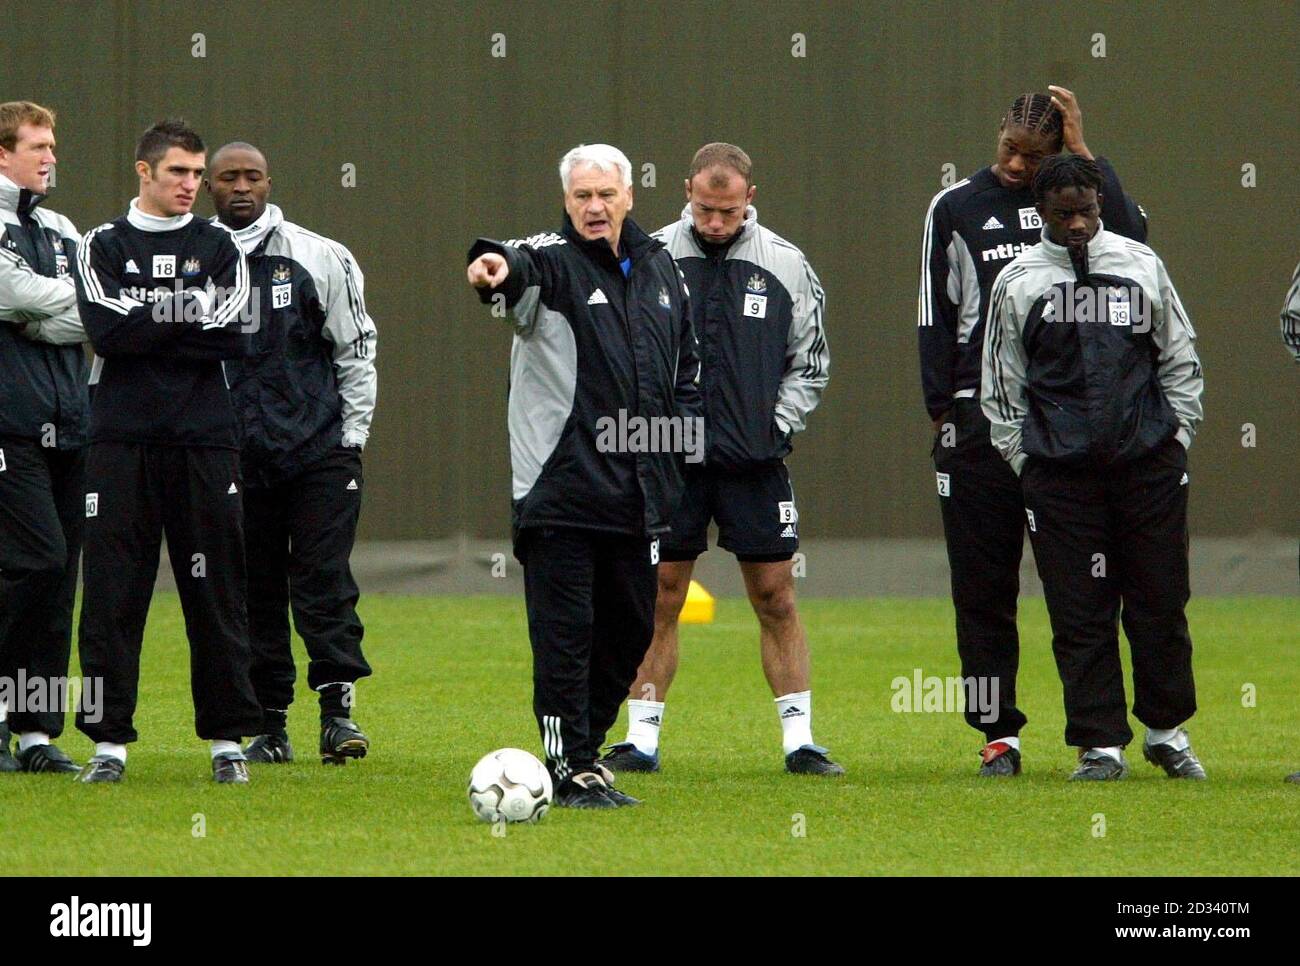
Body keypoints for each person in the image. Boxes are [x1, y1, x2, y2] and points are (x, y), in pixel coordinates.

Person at [917, 88, 1148, 776]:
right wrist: (946, 409)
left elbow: (1136, 245)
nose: (1017, 165)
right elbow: (934, 311)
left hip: (1065, 422)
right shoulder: (954, 207)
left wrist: (1083, 152)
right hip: (978, 418)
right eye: (1008, 149)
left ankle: (1096, 740)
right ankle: (998, 736)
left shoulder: (1078, 201)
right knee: (982, 587)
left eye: (1033, 154)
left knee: (1081, 586)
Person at [465, 143, 701, 808]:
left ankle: (587, 751)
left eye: (605, 195)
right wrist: (491, 270)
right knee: (566, 637)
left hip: (640, 493)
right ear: (566, 202)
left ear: (628, 195)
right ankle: (568, 765)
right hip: (560, 490)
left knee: (630, 632)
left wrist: (674, 458)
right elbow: (509, 268)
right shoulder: (552, 265)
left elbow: (686, 371)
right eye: (581, 198)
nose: (594, 208)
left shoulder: (662, 269)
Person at [599, 143, 838, 777]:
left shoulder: (786, 265)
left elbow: (809, 362)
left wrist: (778, 426)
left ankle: (800, 742)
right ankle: (640, 740)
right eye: (704, 209)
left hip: (753, 464)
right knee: (660, 595)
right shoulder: (647, 259)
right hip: (668, 461)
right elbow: (621, 352)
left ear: (749, 199)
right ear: (686, 192)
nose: (713, 223)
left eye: (726, 212)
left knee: (775, 596)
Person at [982, 153, 1205, 781]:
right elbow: (1002, 386)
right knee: (1079, 611)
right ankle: (1100, 744)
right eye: (1063, 214)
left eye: (1086, 211)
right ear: (1041, 213)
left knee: (1160, 601)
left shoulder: (1141, 265)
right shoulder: (1019, 282)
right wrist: (1026, 460)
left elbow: (1179, 356)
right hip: (1060, 477)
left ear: (1101, 205)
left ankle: (1167, 731)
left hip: (1148, 470)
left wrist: (1175, 437)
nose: (1077, 224)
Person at [72, 119, 261, 784]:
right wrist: (183, 315)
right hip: (121, 442)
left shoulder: (220, 246)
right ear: (144, 172)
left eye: (196, 172)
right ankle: (108, 747)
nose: (193, 185)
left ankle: (227, 743)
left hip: (204, 441)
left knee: (216, 592)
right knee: (111, 594)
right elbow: (105, 332)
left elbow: (234, 330)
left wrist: (145, 320)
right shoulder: (100, 243)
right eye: (178, 172)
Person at [205, 142, 376, 766]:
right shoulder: (195, 260)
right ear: (208, 186)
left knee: (322, 578)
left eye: (253, 176)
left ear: (270, 182)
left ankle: (337, 715)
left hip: (317, 453)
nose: (242, 187)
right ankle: (269, 724)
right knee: (252, 588)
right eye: (229, 178)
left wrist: (350, 440)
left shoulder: (319, 255)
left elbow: (356, 351)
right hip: (232, 458)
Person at [0, 101, 89, 774]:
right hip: (10, 425)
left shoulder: (60, 227)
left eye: (52, 144)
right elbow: (10, 292)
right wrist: (39, 305)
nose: (50, 156)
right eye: (36, 145)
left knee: (59, 578)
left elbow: (95, 309)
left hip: (70, 425)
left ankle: (35, 730)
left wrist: (36, 314)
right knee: (34, 559)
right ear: (3, 155)